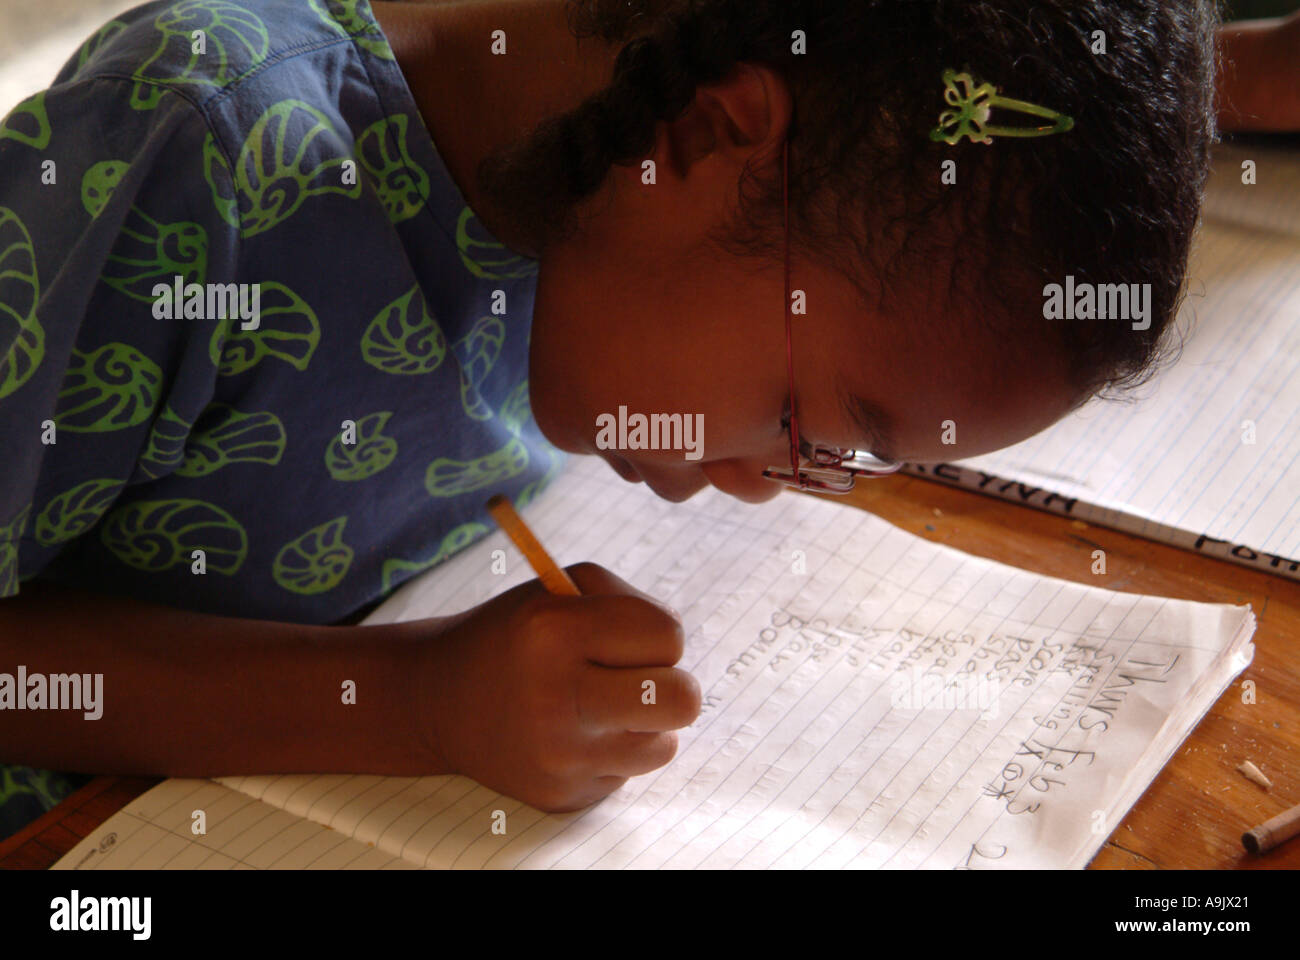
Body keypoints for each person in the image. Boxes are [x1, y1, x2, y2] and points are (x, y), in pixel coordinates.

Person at [0, 0, 1289, 842]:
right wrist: (405, 704)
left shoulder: (595, 233)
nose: (755, 485)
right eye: (799, 417)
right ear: (713, 136)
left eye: (831, 460)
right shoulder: (212, 153)